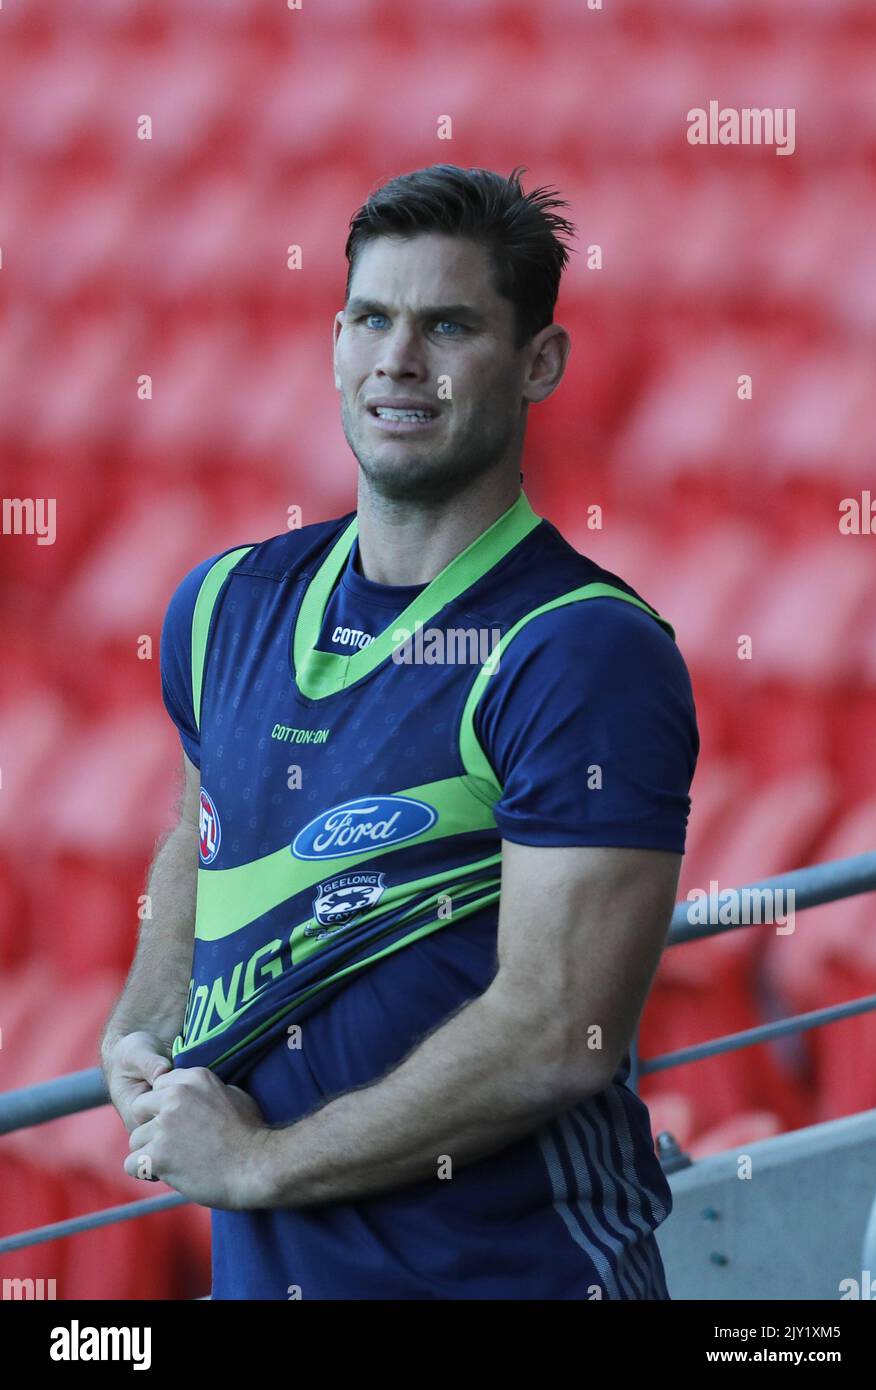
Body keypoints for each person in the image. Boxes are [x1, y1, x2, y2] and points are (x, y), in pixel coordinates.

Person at [100, 164, 699, 1300]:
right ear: (334, 340)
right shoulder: (225, 602)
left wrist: (262, 1163)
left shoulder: (581, 651)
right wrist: (143, 1022)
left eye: (449, 325)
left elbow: (554, 1036)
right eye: (372, 319)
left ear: (540, 363)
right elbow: (204, 832)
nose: (399, 361)